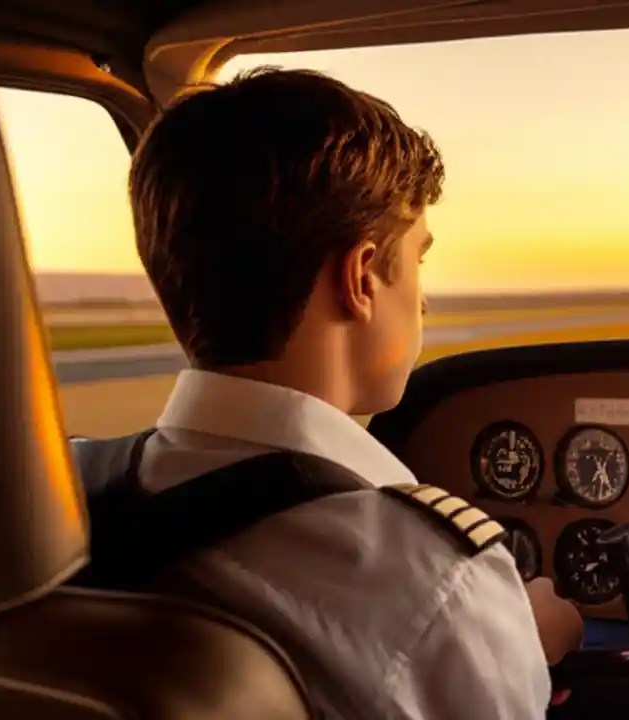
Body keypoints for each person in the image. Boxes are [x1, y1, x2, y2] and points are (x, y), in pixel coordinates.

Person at [126, 67, 583, 718]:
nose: (422, 298)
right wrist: (512, 646)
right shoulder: (438, 584)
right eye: (417, 260)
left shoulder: (63, 510)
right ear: (362, 278)